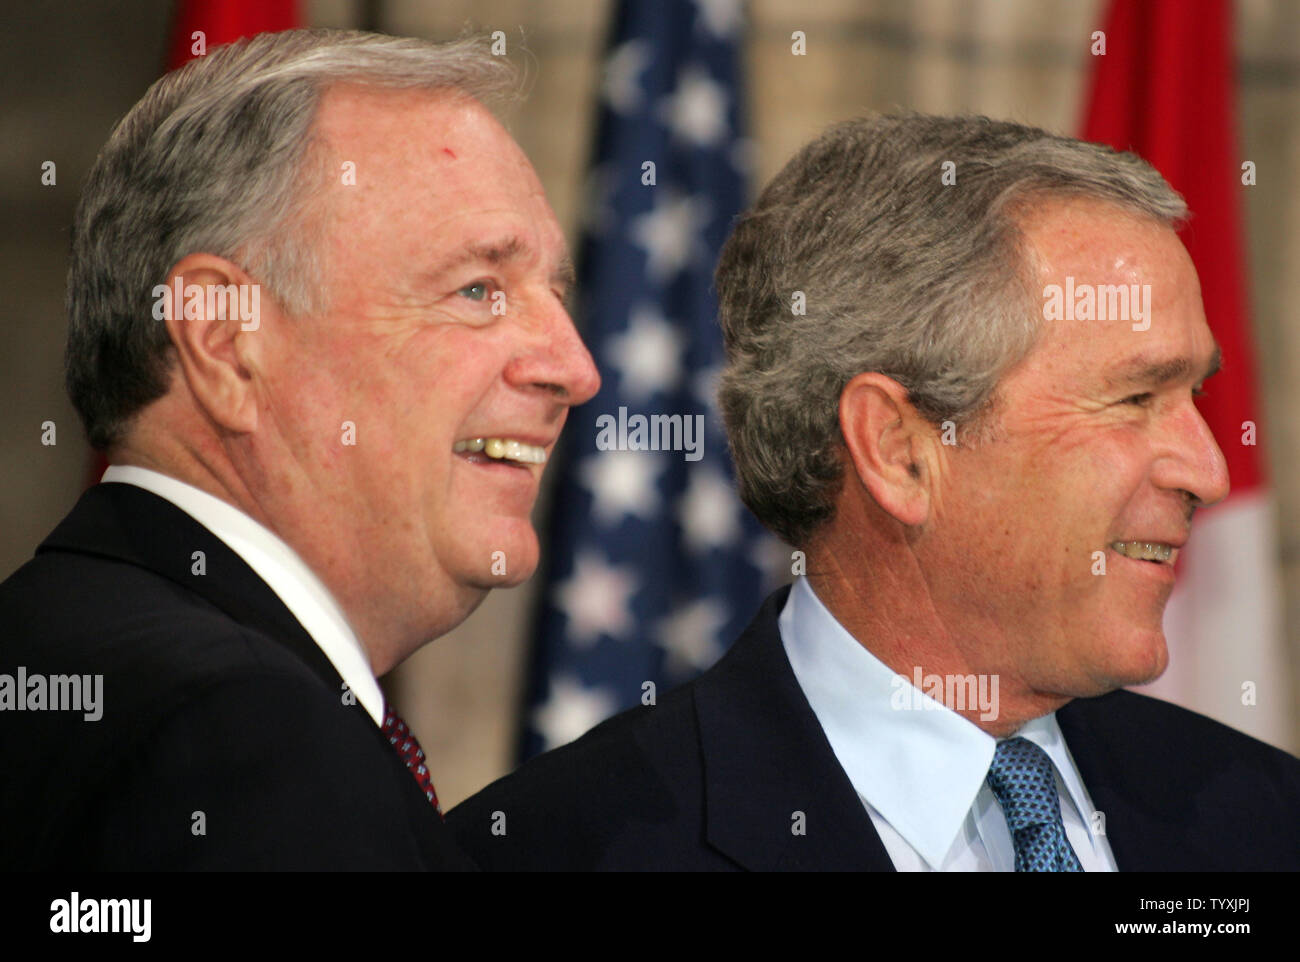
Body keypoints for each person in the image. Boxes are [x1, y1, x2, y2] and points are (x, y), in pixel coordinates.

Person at [447, 113, 1300, 871]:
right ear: (898, 451)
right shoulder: (559, 851)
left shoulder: (1262, 816)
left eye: (1196, 397)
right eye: (1136, 399)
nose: (1210, 470)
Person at [0, 29, 599, 870]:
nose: (574, 368)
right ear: (224, 341)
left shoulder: (65, 647)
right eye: (478, 290)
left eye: (557, 295)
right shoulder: (239, 733)